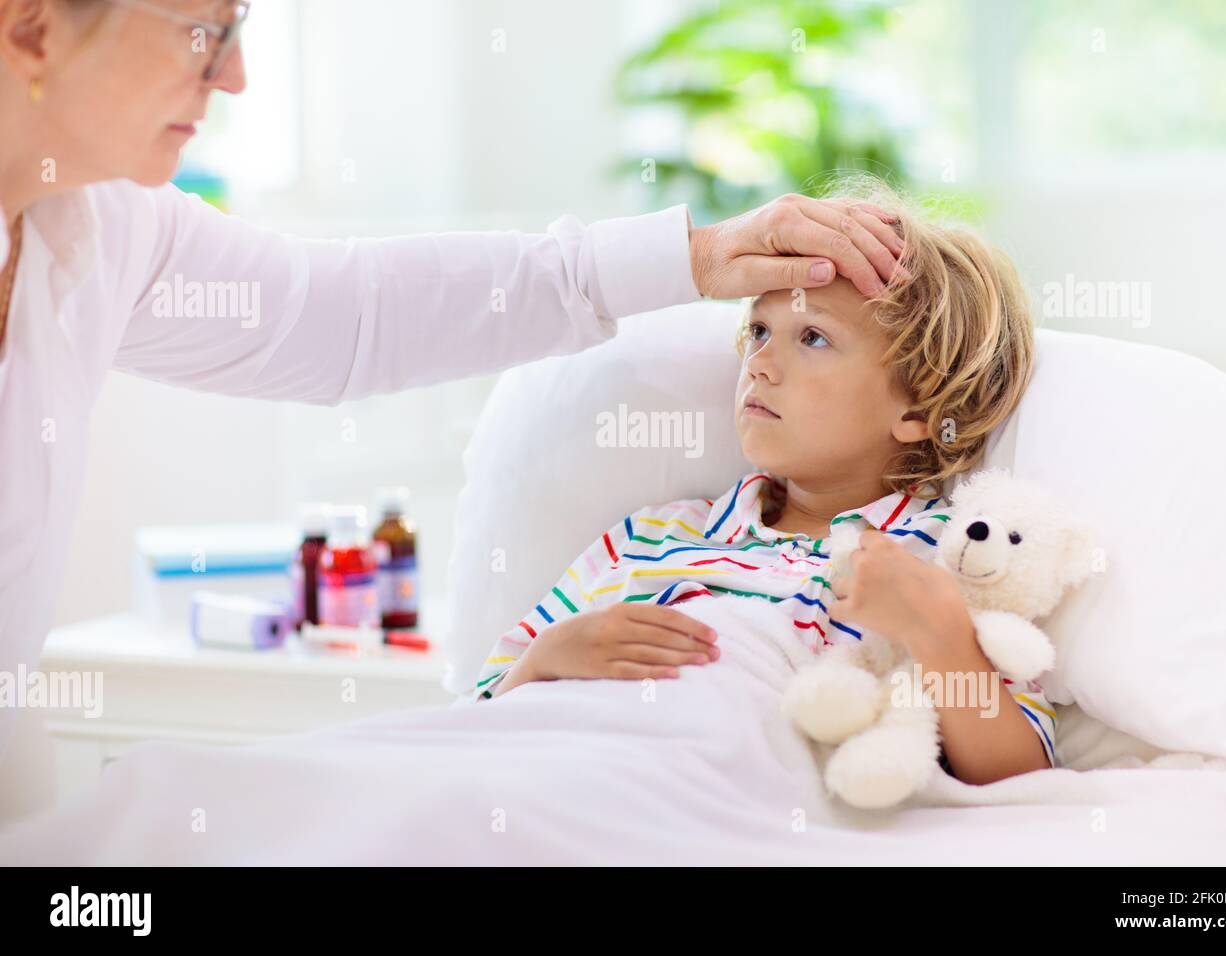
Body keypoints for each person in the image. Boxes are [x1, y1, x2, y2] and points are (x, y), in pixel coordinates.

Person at [0, 0, 906, 752]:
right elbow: (494, 700)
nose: (233, 74)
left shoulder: (99, 226)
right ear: (32, 20)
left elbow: (346, 313)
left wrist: (695, 256)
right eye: (206, 27)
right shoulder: (651, 544)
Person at [473, 176, 1054, 786]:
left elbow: (1018, 773)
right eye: (757, 332)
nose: (760, 364)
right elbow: (480, 709)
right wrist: (547, 658)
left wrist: (940, 634)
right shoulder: (650, 535)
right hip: (549, 767)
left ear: (918, 411)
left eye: (813, 337)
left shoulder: (943, 553)